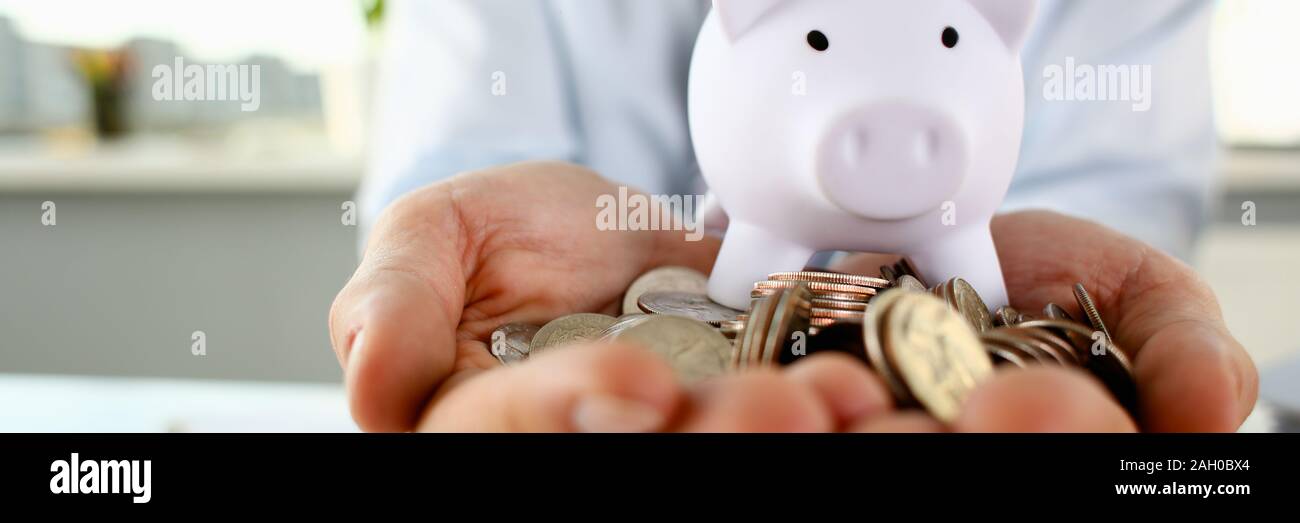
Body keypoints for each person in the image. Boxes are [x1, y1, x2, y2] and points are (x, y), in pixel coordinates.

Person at [328, 0, 1257, 432]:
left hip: (961, 241)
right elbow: (461, 141)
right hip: (747, 250)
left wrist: (993, 330)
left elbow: (1114, 179)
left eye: (948, 37)